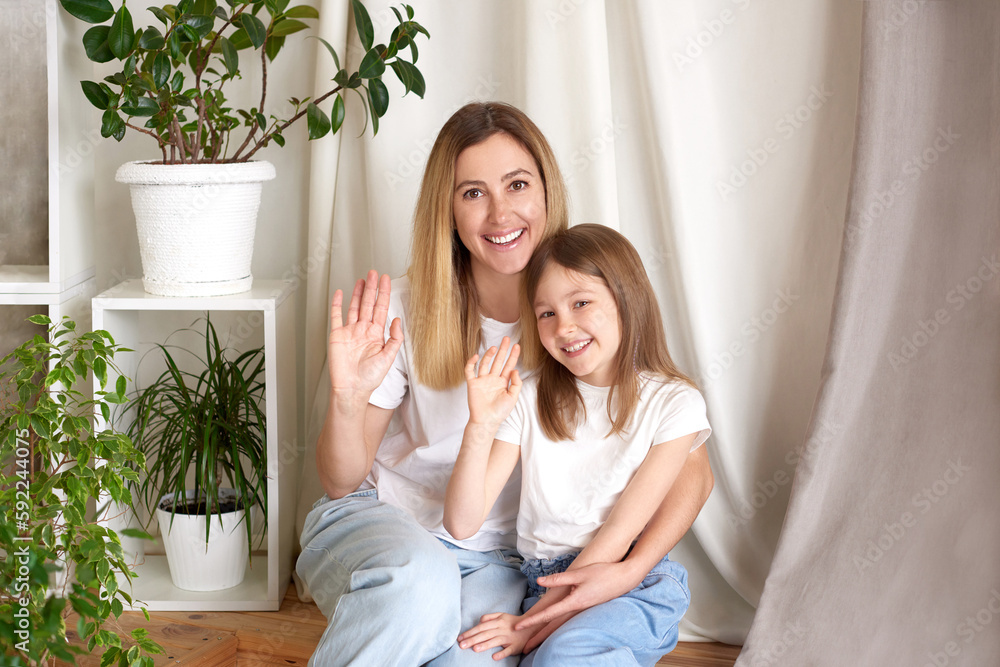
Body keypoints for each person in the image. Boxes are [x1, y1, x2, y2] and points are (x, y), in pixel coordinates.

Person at [296, 103, 714, 666]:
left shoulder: (579, 319)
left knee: (468, 660)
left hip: (498, 561)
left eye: (517, 184)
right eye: (472, 193)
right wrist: (347, 401)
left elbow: (691, 465)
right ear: (446, 210)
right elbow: (341, 481)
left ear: (546, 191)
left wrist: (628, 571)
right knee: (422, 587)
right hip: (383, 522)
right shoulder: (402, 308)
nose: (500, 213)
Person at [444, 224, 712, 665]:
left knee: (566, 655)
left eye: (581, 303)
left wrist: (528, 625)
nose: (564, 327)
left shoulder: (674, 402)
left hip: (628, 585)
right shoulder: (526, 398)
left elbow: (618, 534)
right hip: (542, 585)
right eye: (546, 313)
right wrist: (480, 424)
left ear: (627, 298)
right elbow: (461, 522)